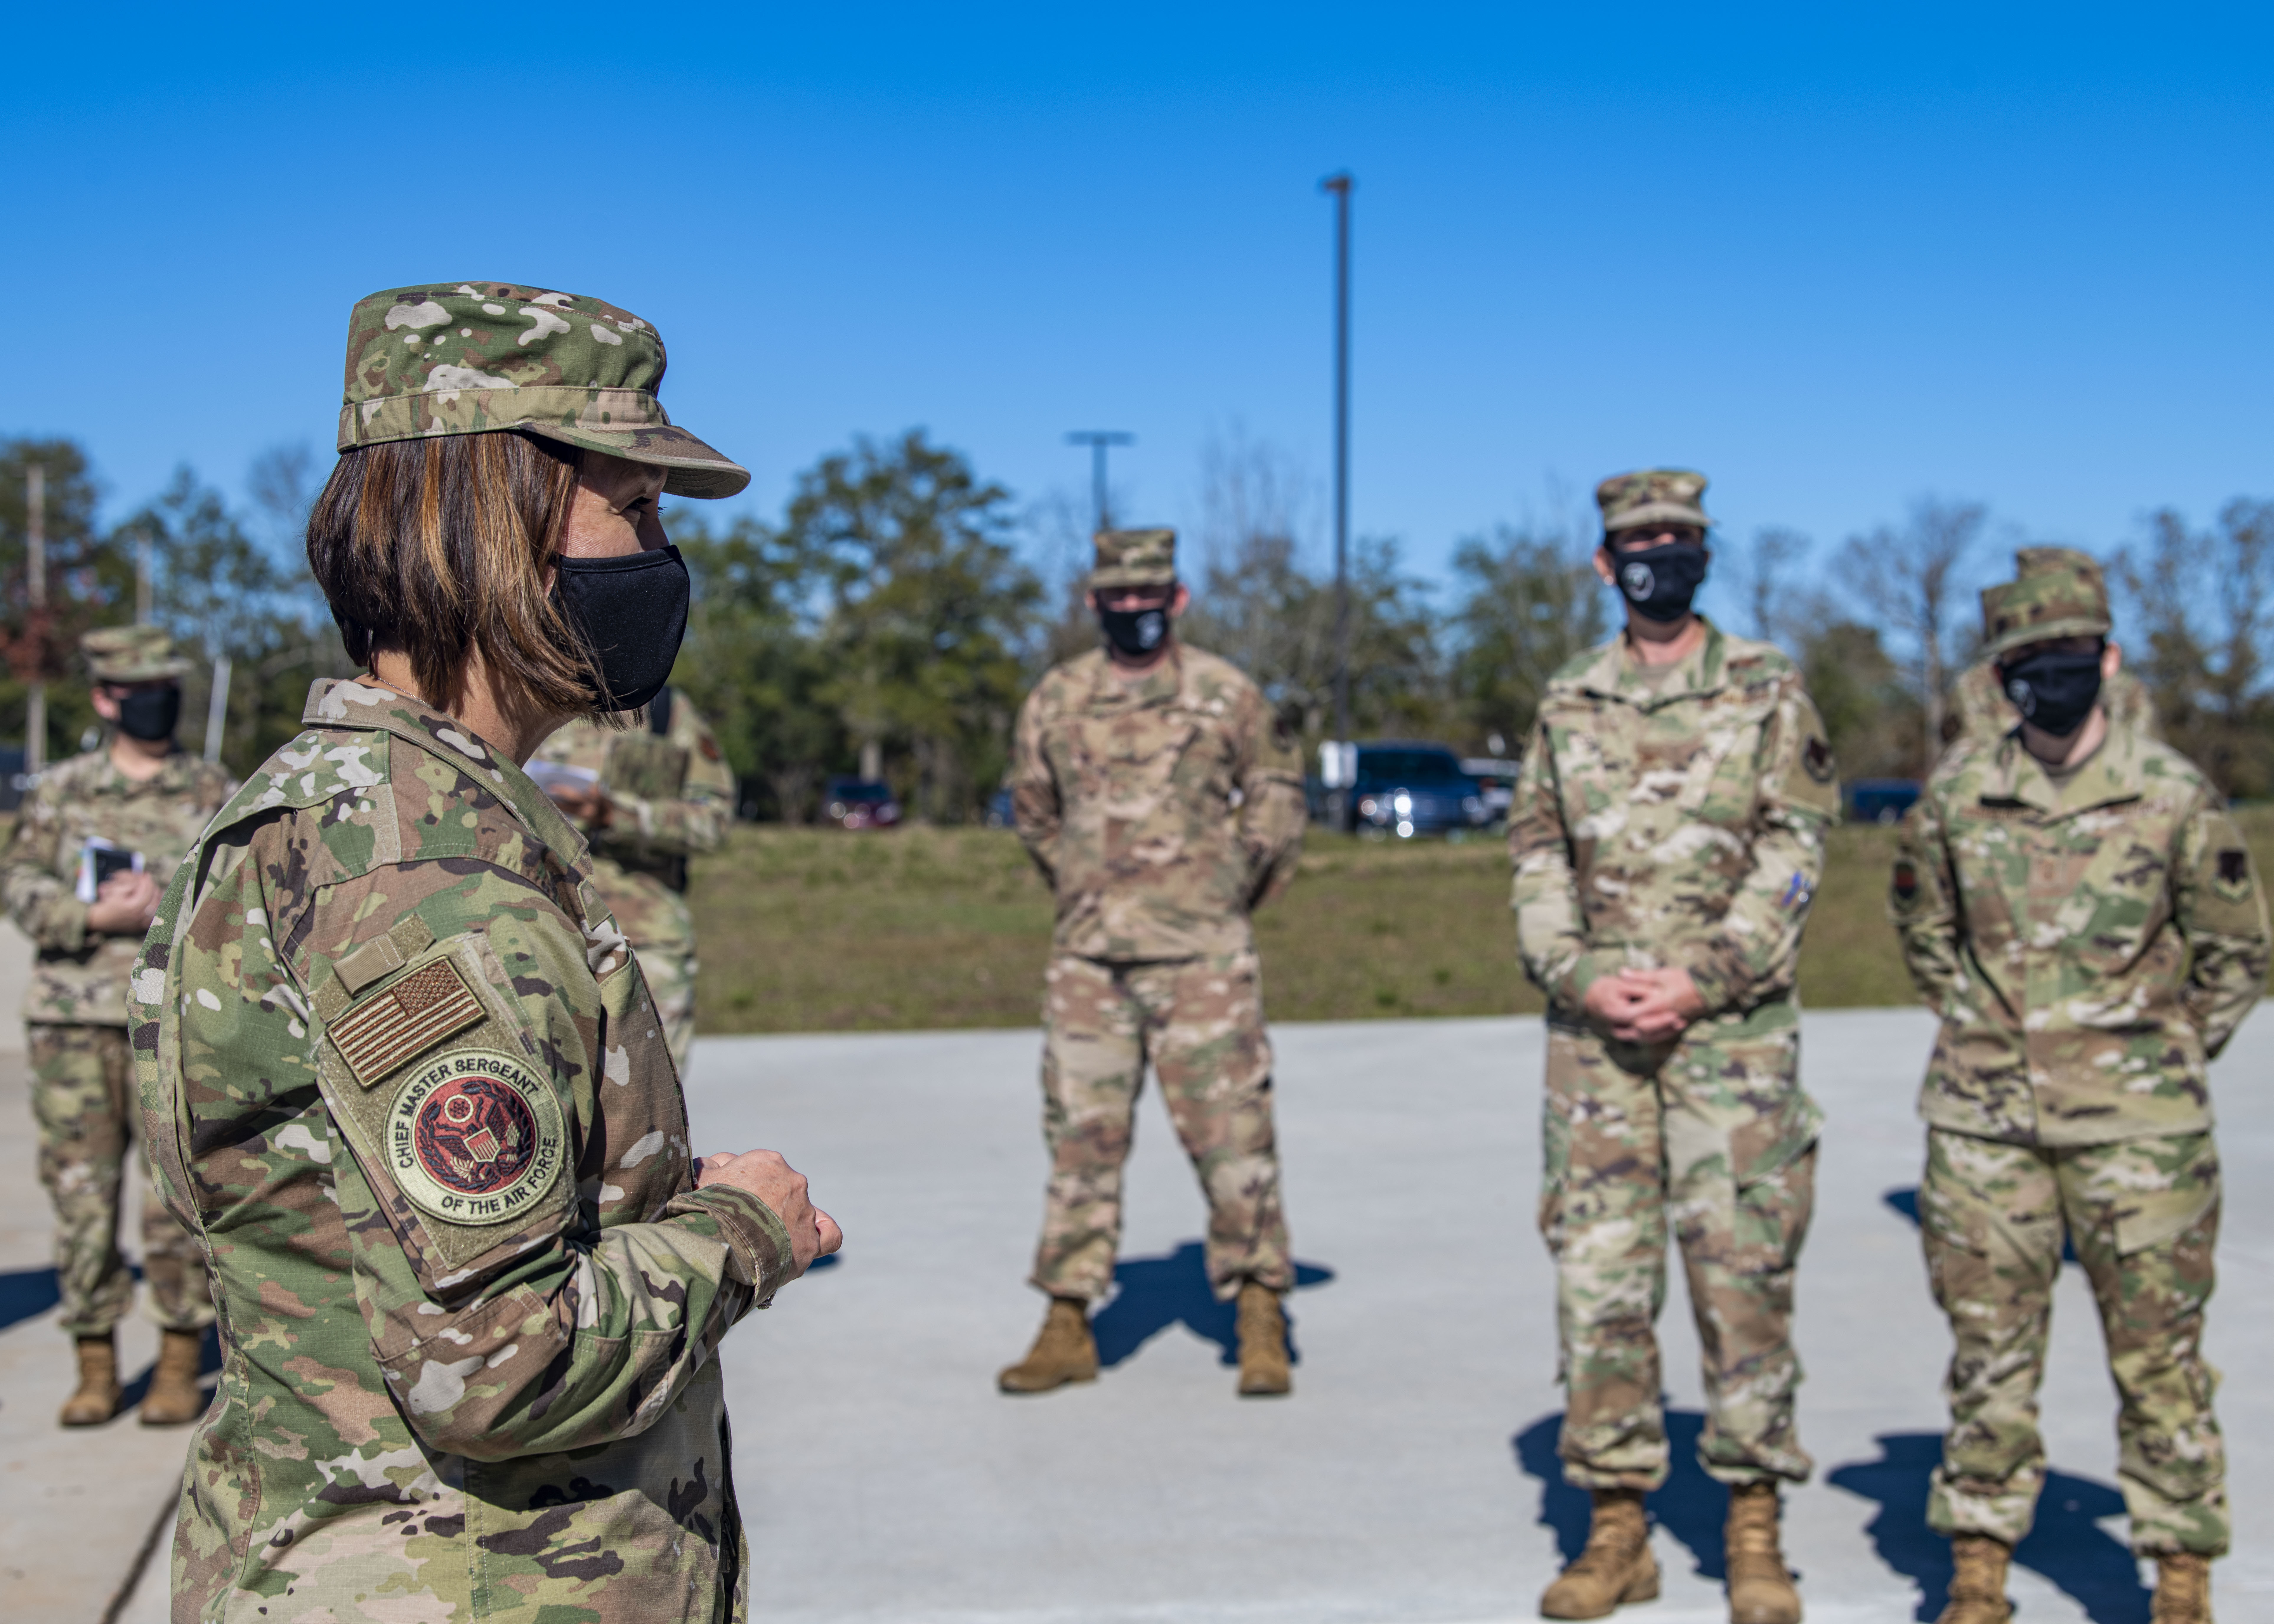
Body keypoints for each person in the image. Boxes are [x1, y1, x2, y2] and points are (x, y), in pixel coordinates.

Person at [132, 281, 840, 1620]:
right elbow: (502, 1361)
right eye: (631, 506)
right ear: (496, 521)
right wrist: (747, 1224)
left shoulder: (356, 809)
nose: (658, 551)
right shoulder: (423, 879)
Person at [1889, 559, 2265, 1624]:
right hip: (1982, 1130)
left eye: (2068, 659)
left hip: (2142, 1138)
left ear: (2106, 659)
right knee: (1986, 1362)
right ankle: (1977, 1573)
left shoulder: (2172, 795)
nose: (2049, 681)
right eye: (2026, 666)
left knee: (2161, 1366)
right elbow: (1925, 939)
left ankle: (2178, 1579)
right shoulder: (1956, 797)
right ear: (1999, 677)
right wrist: (1989, 1033)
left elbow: (2235, 954)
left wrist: (2158, 1050)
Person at [1509, 469, 1837, 1624]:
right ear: (1606, 564)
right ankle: (1617, 1530)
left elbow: (1795, 852)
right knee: (1599, 1286)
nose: (1659, 554)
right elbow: (1536, 859)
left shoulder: (1767, 688)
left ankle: (1755, 1531)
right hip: (1596, 1055)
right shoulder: (1567, 700)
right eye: (1639, 541)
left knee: (1742, 1283)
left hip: (1731, 1045)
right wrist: (1585, 973)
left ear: (1706, 556)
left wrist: (1703, 975)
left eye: (1679, 538)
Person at [998, 526, 1308, 1398]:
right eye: (1115, 597)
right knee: (1080, 1143)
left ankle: (1259, 1314)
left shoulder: (1225, 693)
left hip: (1203, 958)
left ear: (1177, 598)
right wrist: (1081, 885)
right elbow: (1032, 807)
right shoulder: (1057, 698)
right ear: (1094, 602)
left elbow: (1279, 796)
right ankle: (1066, 1320)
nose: (1132, 610)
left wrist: (1229, 887)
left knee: (1235, 1137)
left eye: (1148, 595)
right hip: (1090, 961)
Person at [0, 626, 233, 1427]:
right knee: (82, 1199)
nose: (157, 703)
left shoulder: (211, 789)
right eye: (140, 692)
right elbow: (18, 882)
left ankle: (177, 1355)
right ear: (105, 699)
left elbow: (241, 893)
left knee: (176, 1197)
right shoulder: (60, 792)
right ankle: (94, 1359)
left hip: (173, 1018)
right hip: (73, 1021)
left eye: (168, 688)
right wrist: (89, 913)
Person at [530, 685, 734, 1075]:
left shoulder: (664, 711)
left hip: (645, 939)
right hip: (547, 932)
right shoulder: (537, 690)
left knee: (651, 1104)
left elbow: (715, 820)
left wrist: (617, 815)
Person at [1943, 547, 2156, 754]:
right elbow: (1956, 753)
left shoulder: (2127, 692)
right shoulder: (1976, 688)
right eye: (2028, 649)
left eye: (2068, 642)